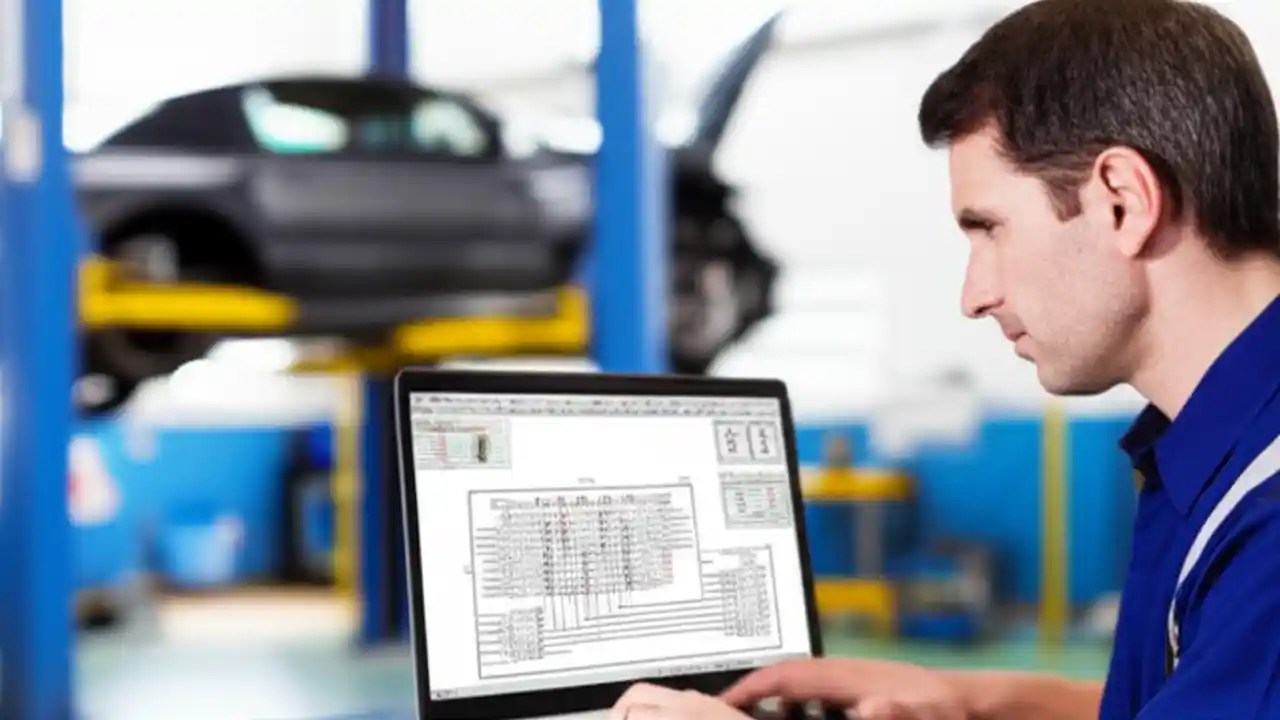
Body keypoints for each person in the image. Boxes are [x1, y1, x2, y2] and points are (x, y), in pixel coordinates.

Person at [609, 0, 1280, 718]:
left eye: (990, 229)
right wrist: (969, 698)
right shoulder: (1219, 451)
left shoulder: (1268, 518)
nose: (975, 295)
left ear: (1123, 201)